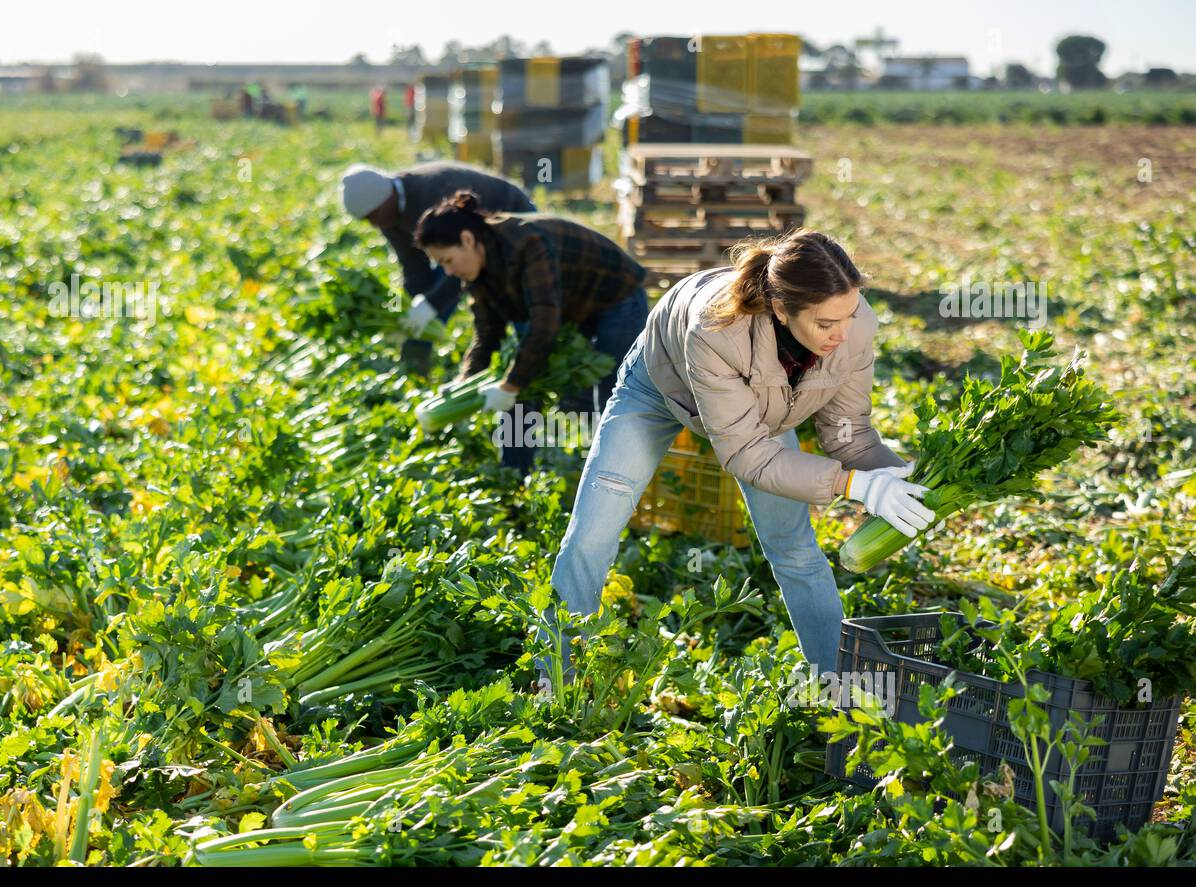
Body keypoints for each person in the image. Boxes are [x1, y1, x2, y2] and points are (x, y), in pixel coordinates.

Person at [530, 229, 935, 696]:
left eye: (849, 314)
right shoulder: (716, 330)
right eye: (826, 323)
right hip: (660, 388)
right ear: (782, 310)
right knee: (593, 532)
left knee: (795, 546)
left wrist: (895, 474)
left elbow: (848, 432)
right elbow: (745, 454)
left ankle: (836, 683)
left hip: (762, 408)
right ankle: (555, 677)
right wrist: (851, 487)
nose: (842, 334)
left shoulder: (851, 325)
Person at [415, 191, 649, 476]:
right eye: (441, 265)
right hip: (567, 302)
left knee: (612, 390)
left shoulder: (526, 243)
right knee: (521, 386)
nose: (448, 272)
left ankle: (614, 477)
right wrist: (465, 380)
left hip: (615, 296)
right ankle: (514, 478)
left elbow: (544, 323)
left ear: (467, 239)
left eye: (447, 260)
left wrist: (510, 386)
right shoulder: (476, 272)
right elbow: (487, 333)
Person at [339, 162, 535, 376]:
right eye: (367, 220)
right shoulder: (389, 217)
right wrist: (415, 307)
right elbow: (413, 265)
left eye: (373, 215)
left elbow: (464, 260)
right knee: (436, 294)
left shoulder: (434, 192)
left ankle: (528, 363)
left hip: (513, 219)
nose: (374, 224)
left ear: (386, 198)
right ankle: (414, 371)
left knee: (519, 298)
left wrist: (431, 304)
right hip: (467, 244)